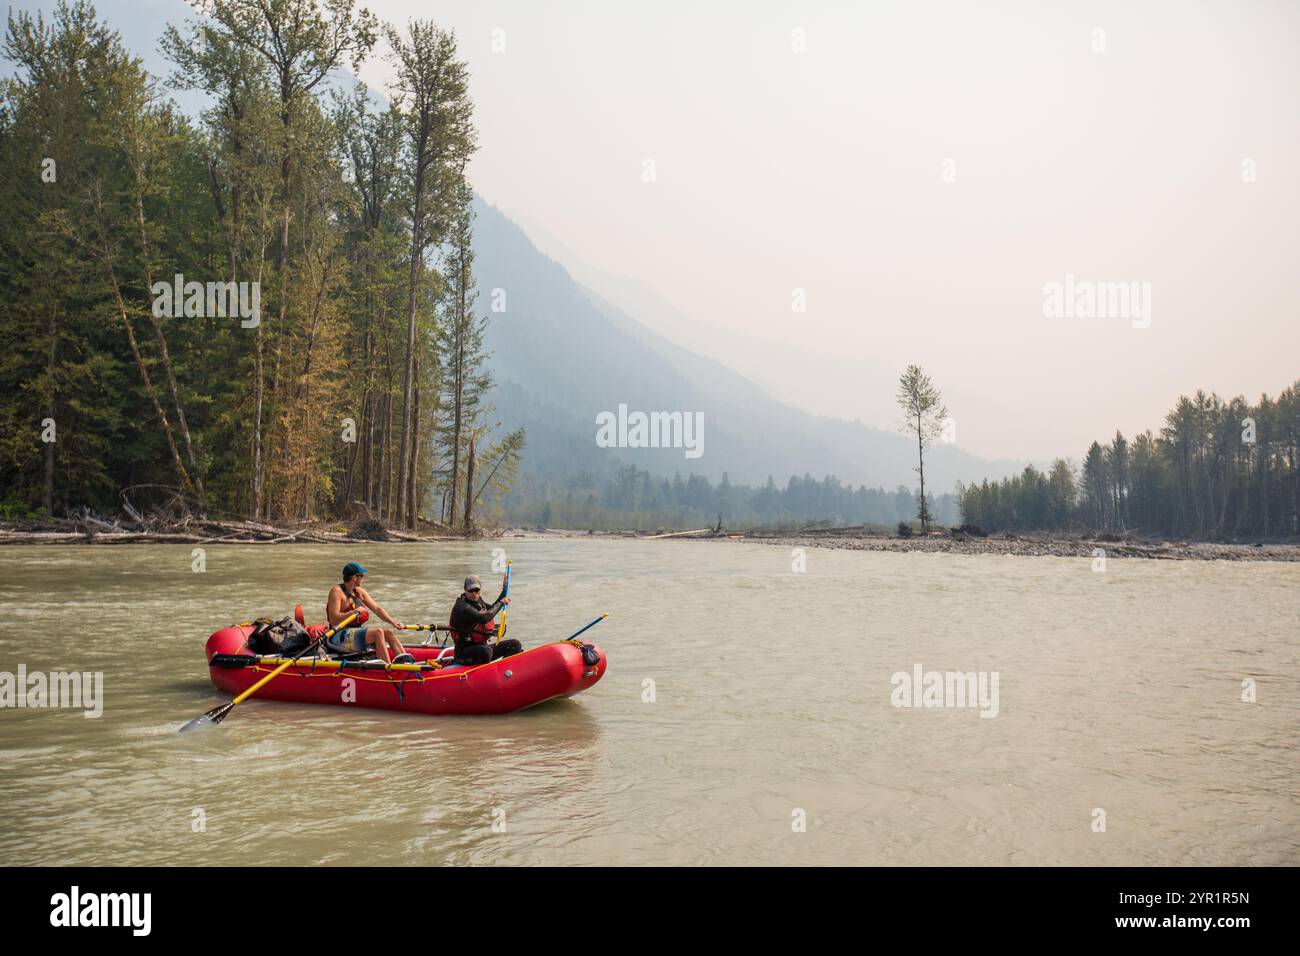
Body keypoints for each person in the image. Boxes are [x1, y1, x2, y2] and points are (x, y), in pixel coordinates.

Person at [326, 562, 414, 664]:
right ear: (355, 578)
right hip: (338, 635)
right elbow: (333, 619)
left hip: (355, 631)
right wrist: (352, 613)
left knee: (389, 633)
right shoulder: (336, 592)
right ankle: (388, 668)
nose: (363, 578)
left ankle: (407, 664)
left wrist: (393, 622)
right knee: (378, 632)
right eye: (361, 576)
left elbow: (377, 608)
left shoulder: (359, 591)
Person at [449, 574, 522, 665]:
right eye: (471, 590)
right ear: (465, 589)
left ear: (480, 589)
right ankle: (465, 663)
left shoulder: (478, 601)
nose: (474, 593)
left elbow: (491, 610)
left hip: (481, 647)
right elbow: (484, 618)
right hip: (464, 652)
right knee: (486, 651)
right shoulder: (462, 607)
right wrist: (501, 603)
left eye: (477, 590)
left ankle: (503, 671)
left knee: (515, 644)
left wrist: (504, 590)